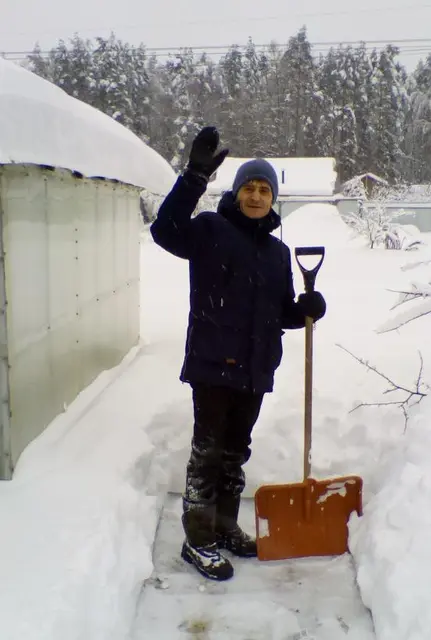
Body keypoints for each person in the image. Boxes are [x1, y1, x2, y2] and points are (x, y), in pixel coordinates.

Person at [150, 126, 326, 581]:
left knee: (234, 454)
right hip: (213, 364)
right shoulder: (211, 229)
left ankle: (224, 527)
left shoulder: (278, 252)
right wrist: (193, 177)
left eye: (264, 190)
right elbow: (165, 231)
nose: (256, 196)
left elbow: (279, 311)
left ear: (273, 199)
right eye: (249, 187)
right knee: (207, 454)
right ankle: (197, 539)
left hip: (255, 368)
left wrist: (305, 310)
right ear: (236, 192)